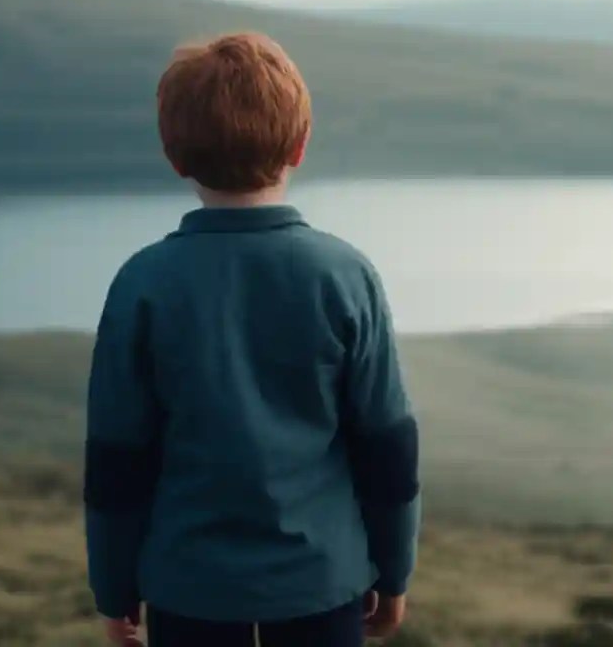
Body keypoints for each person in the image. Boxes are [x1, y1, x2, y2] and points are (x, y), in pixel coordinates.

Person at [83, 32, 421, 647]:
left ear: (174, 156)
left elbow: (116, 460)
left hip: (188, 595)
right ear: (300, 143)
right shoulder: (345, 276)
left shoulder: (142, 283)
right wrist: (394, 573)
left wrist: (113, 589)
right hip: (324, 588)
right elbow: (386, 447)